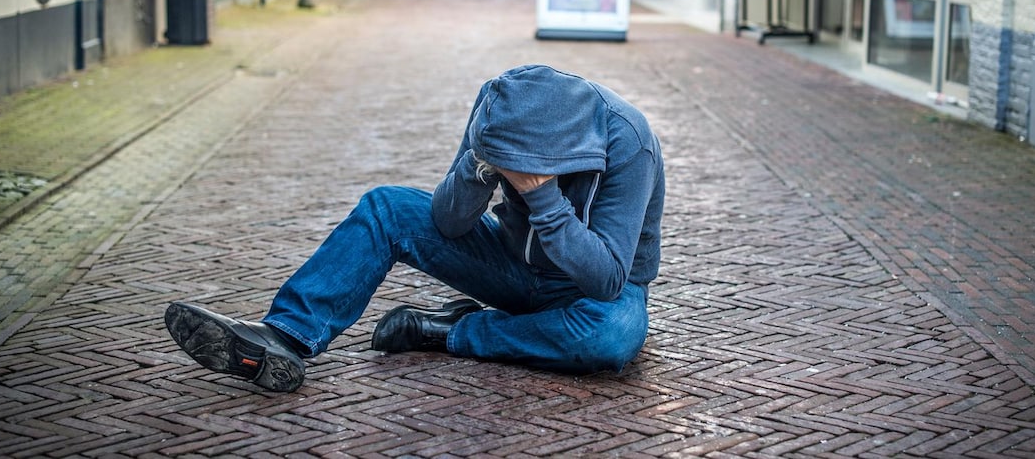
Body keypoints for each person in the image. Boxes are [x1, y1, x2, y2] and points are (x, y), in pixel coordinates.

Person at [164, 64, 665, 392]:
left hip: (589, 293)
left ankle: (449, 330)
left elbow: (607, 278)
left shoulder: (629, 142)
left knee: (613, 336)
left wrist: (540, 194)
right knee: (387, 208)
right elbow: (449, 222)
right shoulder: (498, 109)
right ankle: (286, 335)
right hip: (513, 267)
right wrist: (479, 167)